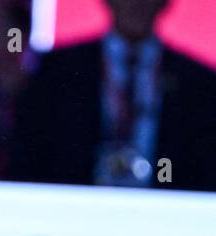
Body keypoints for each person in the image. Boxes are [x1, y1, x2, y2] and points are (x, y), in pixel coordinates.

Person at [11, 0, 216, 190]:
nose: (137, 3)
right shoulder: (56, 70)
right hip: (73, 214)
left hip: (169, 216)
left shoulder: (200, 82)